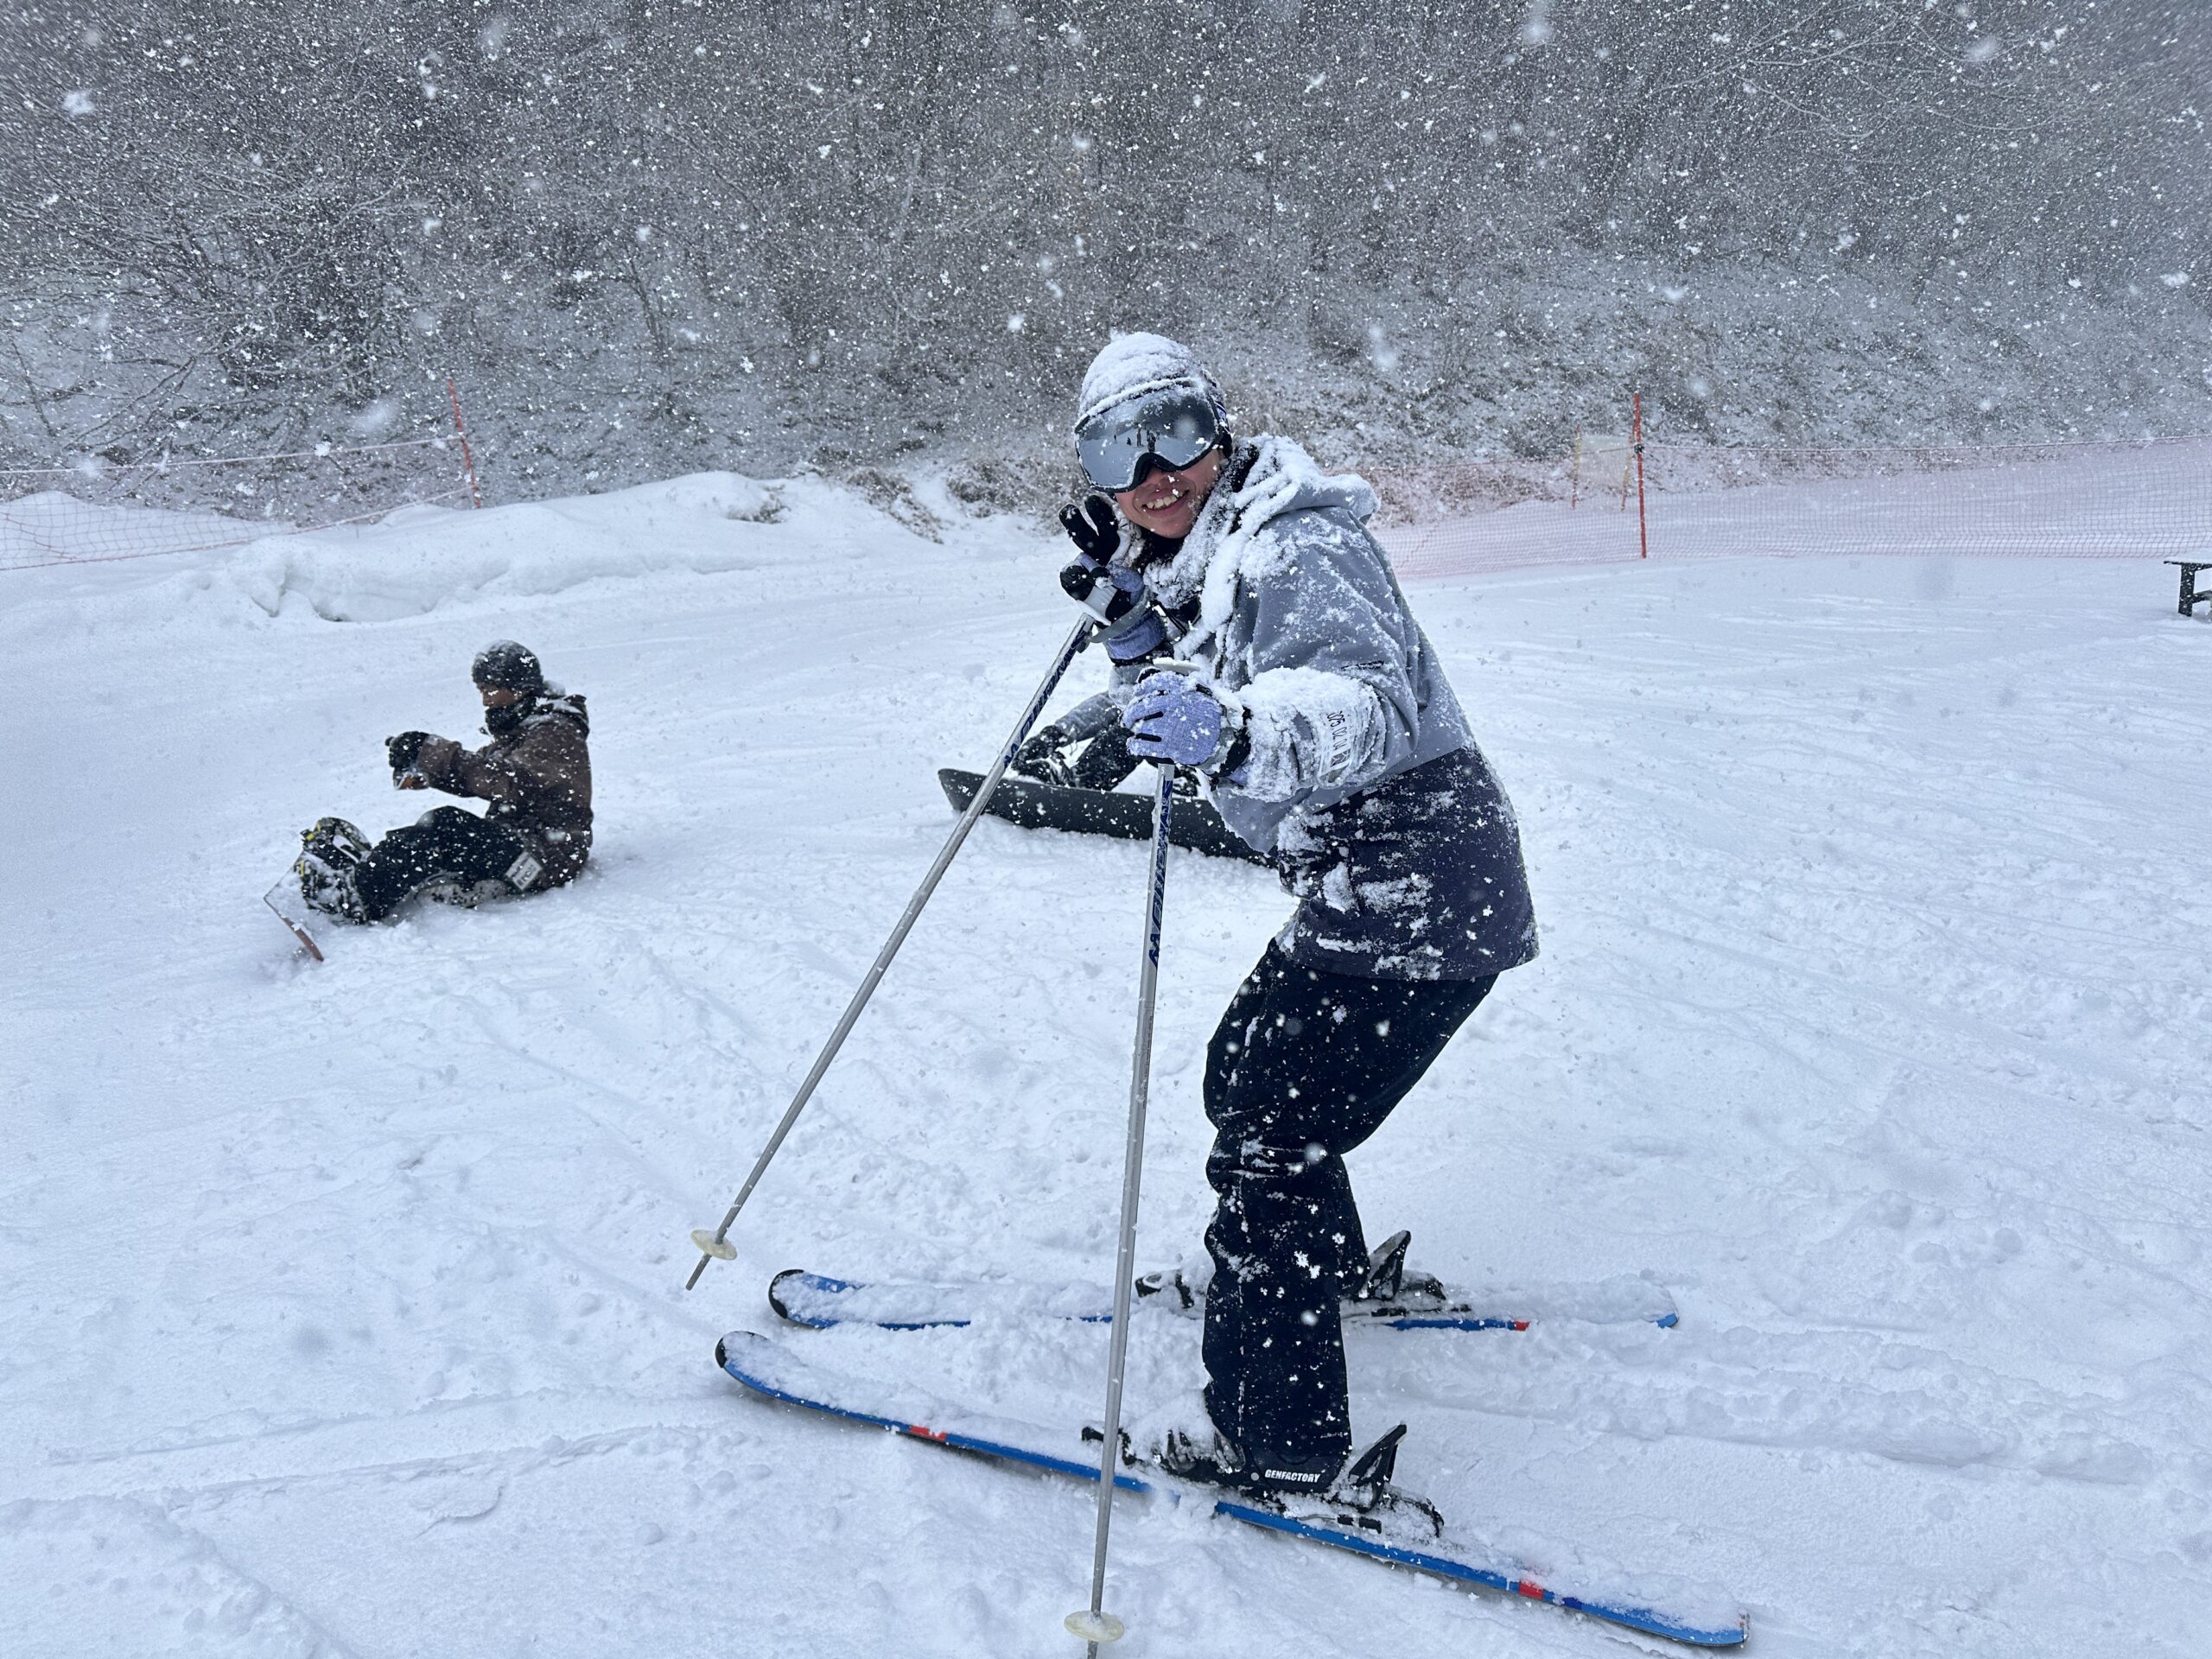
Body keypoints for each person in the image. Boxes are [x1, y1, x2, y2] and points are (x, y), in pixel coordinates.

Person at [1058, 334, 1538, 1519]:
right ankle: (1313, 1272)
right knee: (1250, 1077)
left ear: (1221, 428)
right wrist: (1134, 631)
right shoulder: (1221, 552)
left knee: (1270, 1139)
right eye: (1119, 449)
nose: (1156, 472)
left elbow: (1356, 707)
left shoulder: (1299, 541)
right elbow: (1220, 660)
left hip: (1419, 877)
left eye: (1176, 431)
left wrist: (1222, 731)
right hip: (1373, 884)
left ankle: (1280, 1443)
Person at [295, 641, 593, 923]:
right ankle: (371, 870)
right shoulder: (524, 729)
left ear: (518, 688)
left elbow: (506, 780)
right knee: (440, 835)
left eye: (490, 690)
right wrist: (427, 769)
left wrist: (428, 751)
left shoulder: (555, 732)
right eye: (481, 690)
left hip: (546, 858)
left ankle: (357, 896)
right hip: (524, 844)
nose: (485, 700)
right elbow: (479, 773)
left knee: (446, 824)